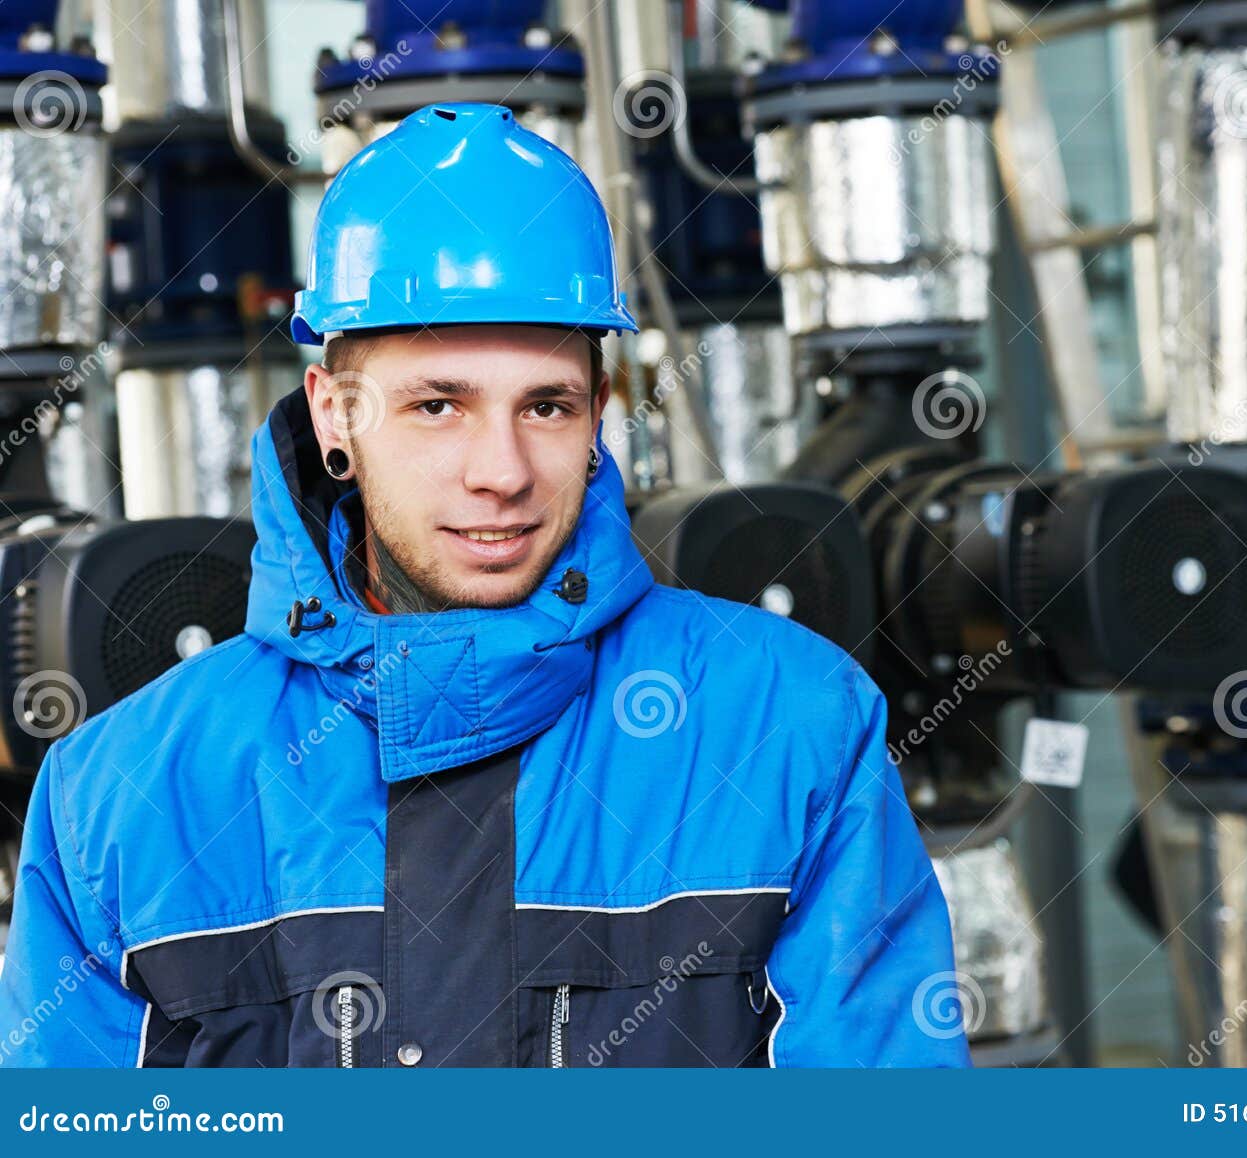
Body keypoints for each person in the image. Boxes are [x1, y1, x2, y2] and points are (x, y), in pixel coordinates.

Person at [0, 103, 968, 1067]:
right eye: (436, 406)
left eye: (547, 406)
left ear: (601, 412)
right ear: (335, 415)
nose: (501, 471)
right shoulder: (125, 786)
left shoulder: (786, 719)